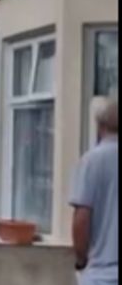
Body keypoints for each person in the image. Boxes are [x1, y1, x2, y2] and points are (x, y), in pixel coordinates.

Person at [71, 96, 118, 285]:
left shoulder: (91, 161)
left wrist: (81, 260)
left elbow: (82, 218)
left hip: (101, 274)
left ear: (100, 127)